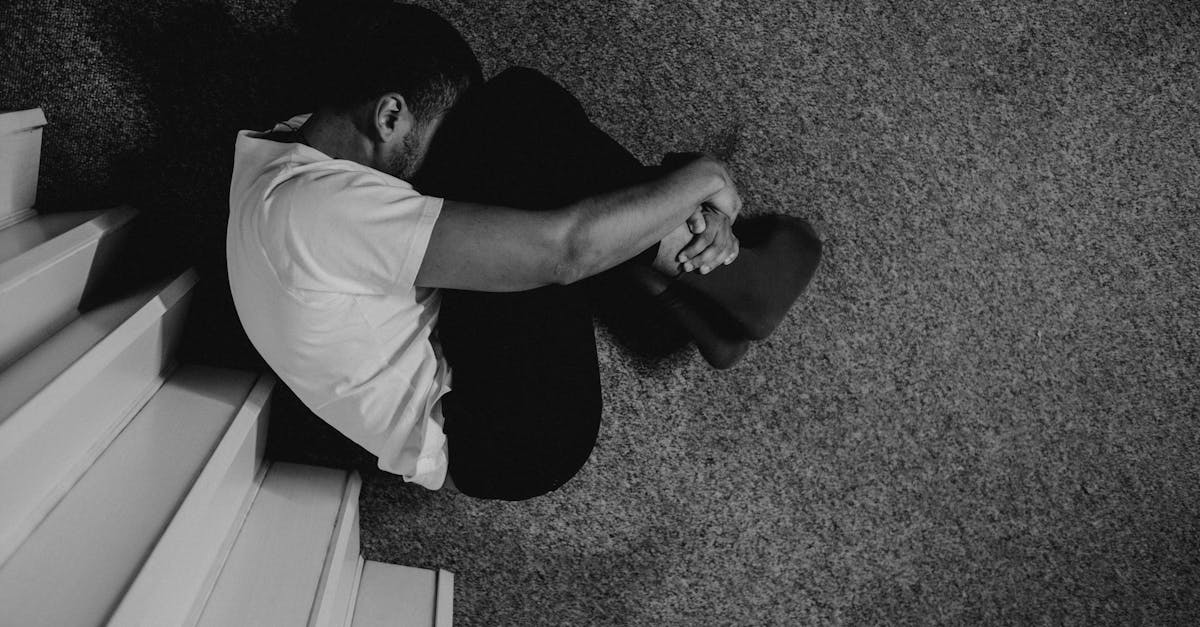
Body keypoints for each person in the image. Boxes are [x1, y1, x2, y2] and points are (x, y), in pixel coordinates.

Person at [227, 0, 821, 501]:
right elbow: (565, 252)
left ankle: (690, 298)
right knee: (512, 115)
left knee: (514, 129)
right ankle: (737, 282)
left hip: (468, 374)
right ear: (388, 114)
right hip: (513, 433)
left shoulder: (294, 142)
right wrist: (705, 174)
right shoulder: (315, 212)